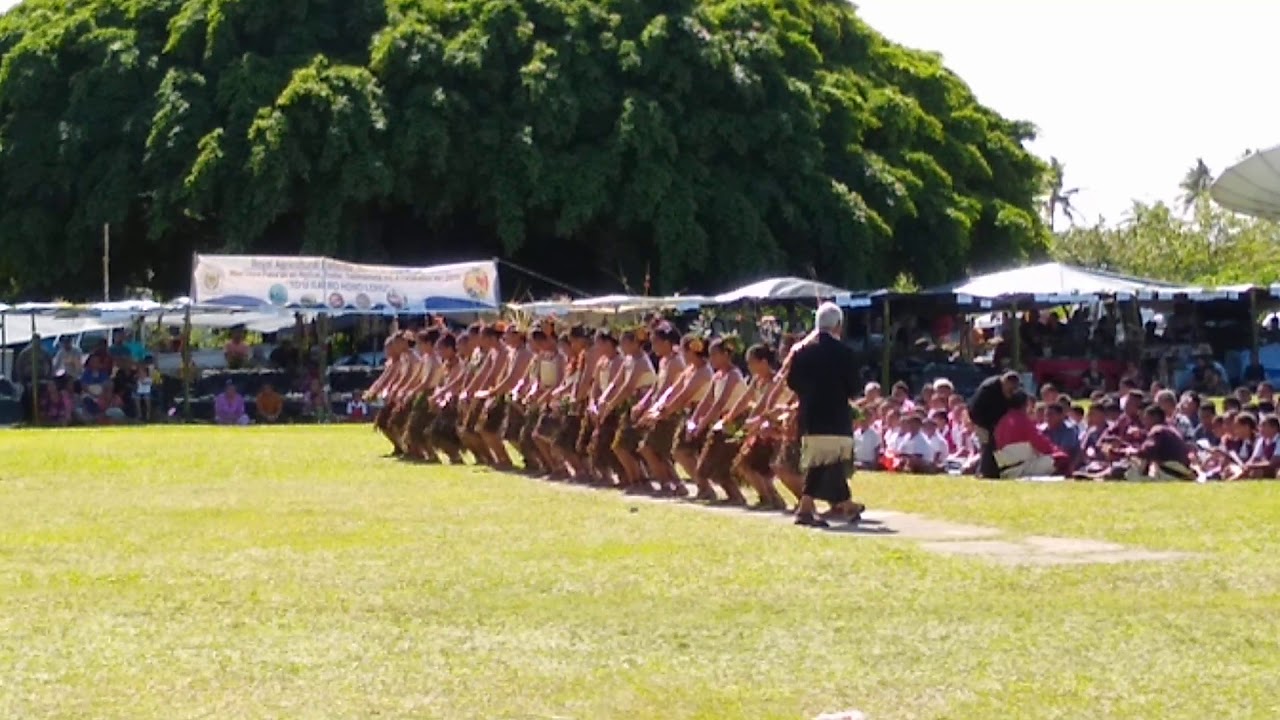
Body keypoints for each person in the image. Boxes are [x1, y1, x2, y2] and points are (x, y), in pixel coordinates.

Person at [785, 302, 863, 528]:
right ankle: (806, 507)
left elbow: (793, 382)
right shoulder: (845, 353)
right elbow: (854, 388)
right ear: (838, 325)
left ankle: (847, 505)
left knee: (827, 461)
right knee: (825, 460)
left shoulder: (802, 352)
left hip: (810, 415)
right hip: (835, 416)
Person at [993, 389, 1064, 478]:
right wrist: (1059, 452)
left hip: (1004, 469)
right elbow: (1042, 444)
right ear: (1025, 405)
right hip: (1020, 469)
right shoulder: (1023, 421)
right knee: (1059, 459)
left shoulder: (1001, 422)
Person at [968, 371, 1021, 478]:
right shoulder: (988, 389)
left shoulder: (1009, 391)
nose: (1012, 391)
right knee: (987, 445)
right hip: (981, 420)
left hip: (996, 422)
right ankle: (985, 472)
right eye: (1011, 388)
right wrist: (986, 426)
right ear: (1005, 382)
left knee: (995, 446)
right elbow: (975, 409)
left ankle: (991, 470)